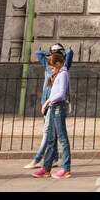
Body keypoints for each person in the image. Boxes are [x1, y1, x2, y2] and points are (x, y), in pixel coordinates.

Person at [24, 42, 74, 169]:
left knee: (50, 134)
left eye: (55, 54)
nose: (51, 69)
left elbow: (70, 52)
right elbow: (38, 53)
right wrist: (50, 53)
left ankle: (38, 160)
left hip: (54, 104)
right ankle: (53, 159)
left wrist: (59, 53)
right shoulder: (49, 65)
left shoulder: (63, 69)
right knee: (52, 135)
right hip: (46, 101)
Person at [32, 51, 72, 179]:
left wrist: (47, 102)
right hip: (53, 107)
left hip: (57, 108)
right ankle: (46, 168)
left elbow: (61, 94)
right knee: (51, 139)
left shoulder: (63, 74)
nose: (51, 70)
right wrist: (52, 79)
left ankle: (66, 168)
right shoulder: (58, 75)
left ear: (59, 64)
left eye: (52, 68)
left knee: (62, 138)